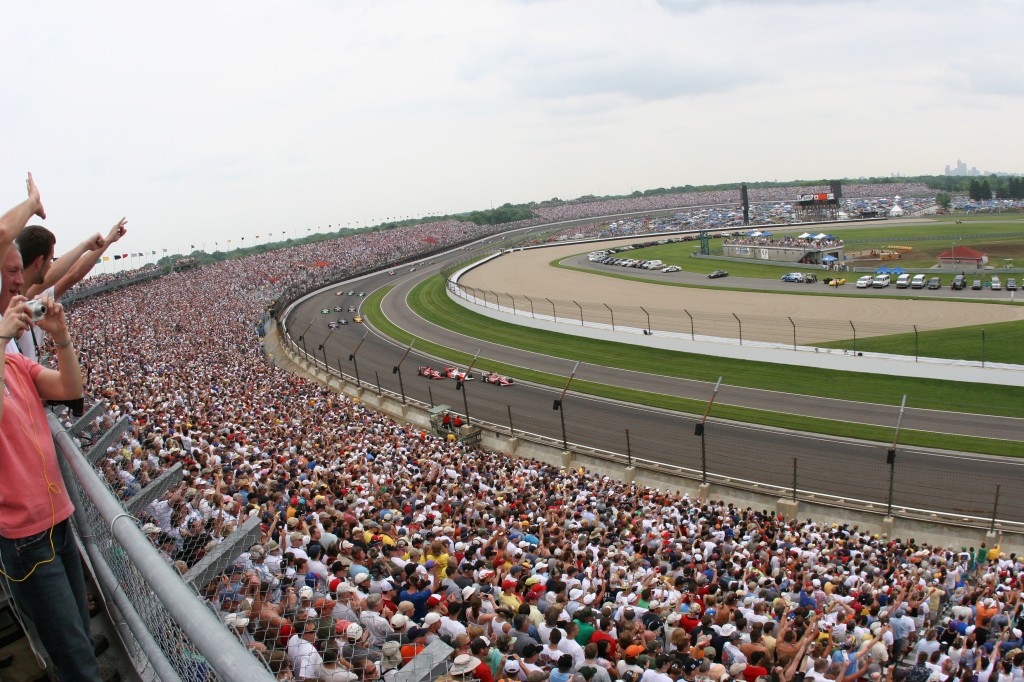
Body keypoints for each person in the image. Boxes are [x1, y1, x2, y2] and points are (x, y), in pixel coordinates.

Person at [0, 291, 97, 680]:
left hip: (56, 519)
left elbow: (70, 390)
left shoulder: (15, 362)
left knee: (80, 637)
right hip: (24, 537)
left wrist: (61, 338)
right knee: (74, 654)